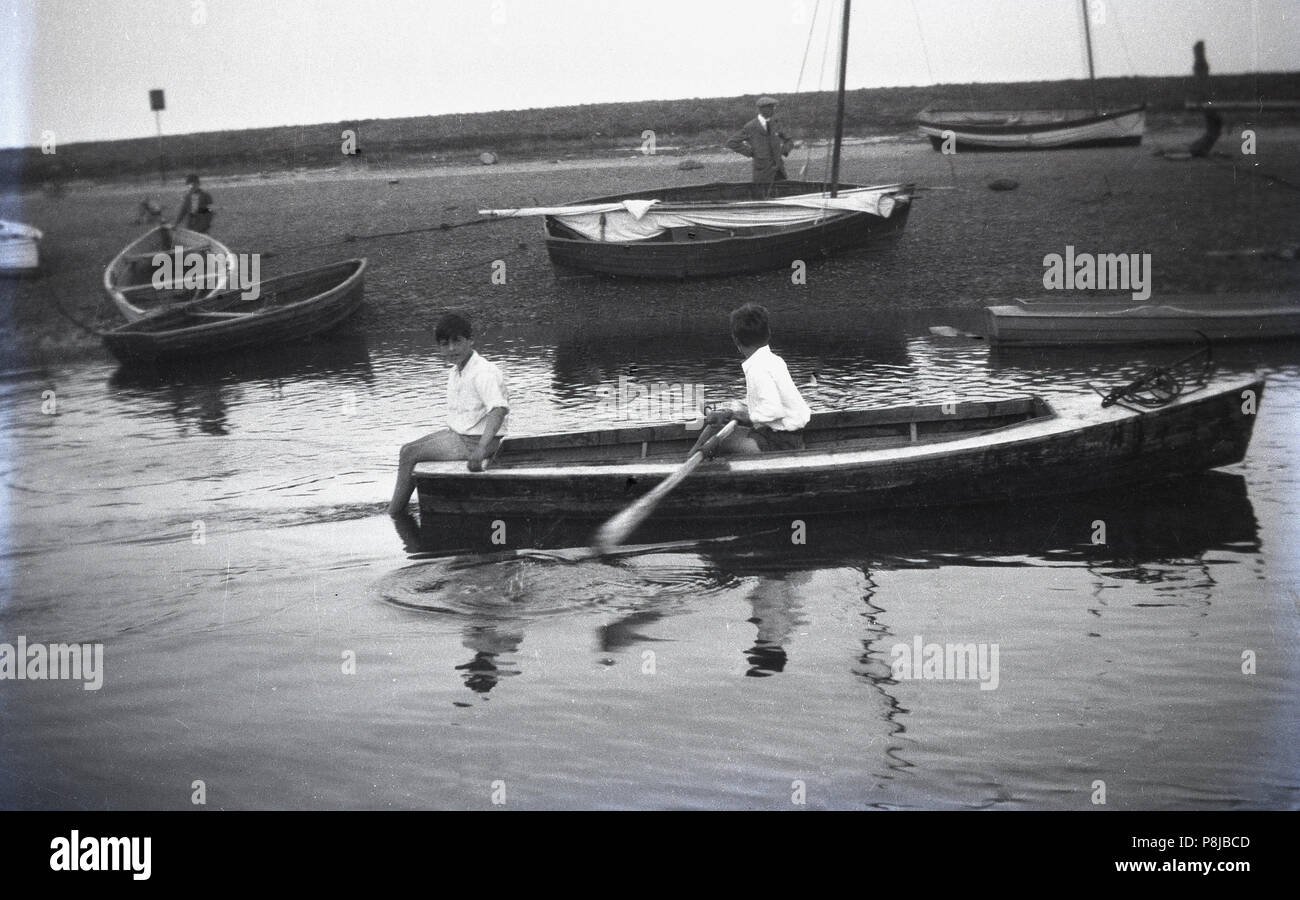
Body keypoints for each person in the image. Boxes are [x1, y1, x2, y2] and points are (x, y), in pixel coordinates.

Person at [388, 313, 510, 516]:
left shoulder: (483, 371)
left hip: (477, 441)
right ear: (439, 347)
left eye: (457, 341)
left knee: (410, 454)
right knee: (406, 450)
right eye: (445, 344)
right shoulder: (457, 370)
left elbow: (498, 410)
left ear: (470, 340)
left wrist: (480, 450)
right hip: (461, 436)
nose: (451, 349)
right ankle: (398, 507)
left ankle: (394, 514)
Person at [690, 303, 810, 458]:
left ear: (736, 340)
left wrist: (743, 416)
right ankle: (689, 458)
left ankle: (687, 463)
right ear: (769, 332)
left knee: (713, 444)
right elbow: (765, 405)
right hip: (777, 435)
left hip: (780, 444)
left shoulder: (757, 368)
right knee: (713, 429)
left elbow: (773, 410)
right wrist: (731, 413)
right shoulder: (773, 360)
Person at [725, 96, 795, 197]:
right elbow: (732, 142)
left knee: (783, 198)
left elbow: (789, 140)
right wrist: (752, 153)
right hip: (762, 173)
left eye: (773, 107)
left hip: (779, 172)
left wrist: (783, 151)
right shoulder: (750, 126)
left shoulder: (776, 123)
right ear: (762, 109)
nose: (773, 110)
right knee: (763, 199)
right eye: (770, 107)